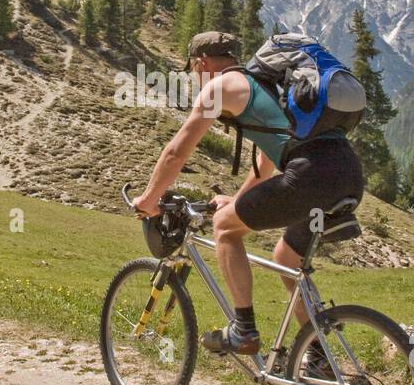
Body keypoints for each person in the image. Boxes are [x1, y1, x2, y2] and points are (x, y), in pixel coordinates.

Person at [133, 31, 365, 354]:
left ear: (201, 64)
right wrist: (237, 200)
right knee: (286, 257)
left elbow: (177, 151)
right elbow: (265, 161)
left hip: (311, 176)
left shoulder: (222, 87)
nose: (196, 79)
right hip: (349, 173)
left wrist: (148, 199)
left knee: (224, 229)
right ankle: (318, 356)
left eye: (193, 72)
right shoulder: (269, 90)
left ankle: (244, 331)